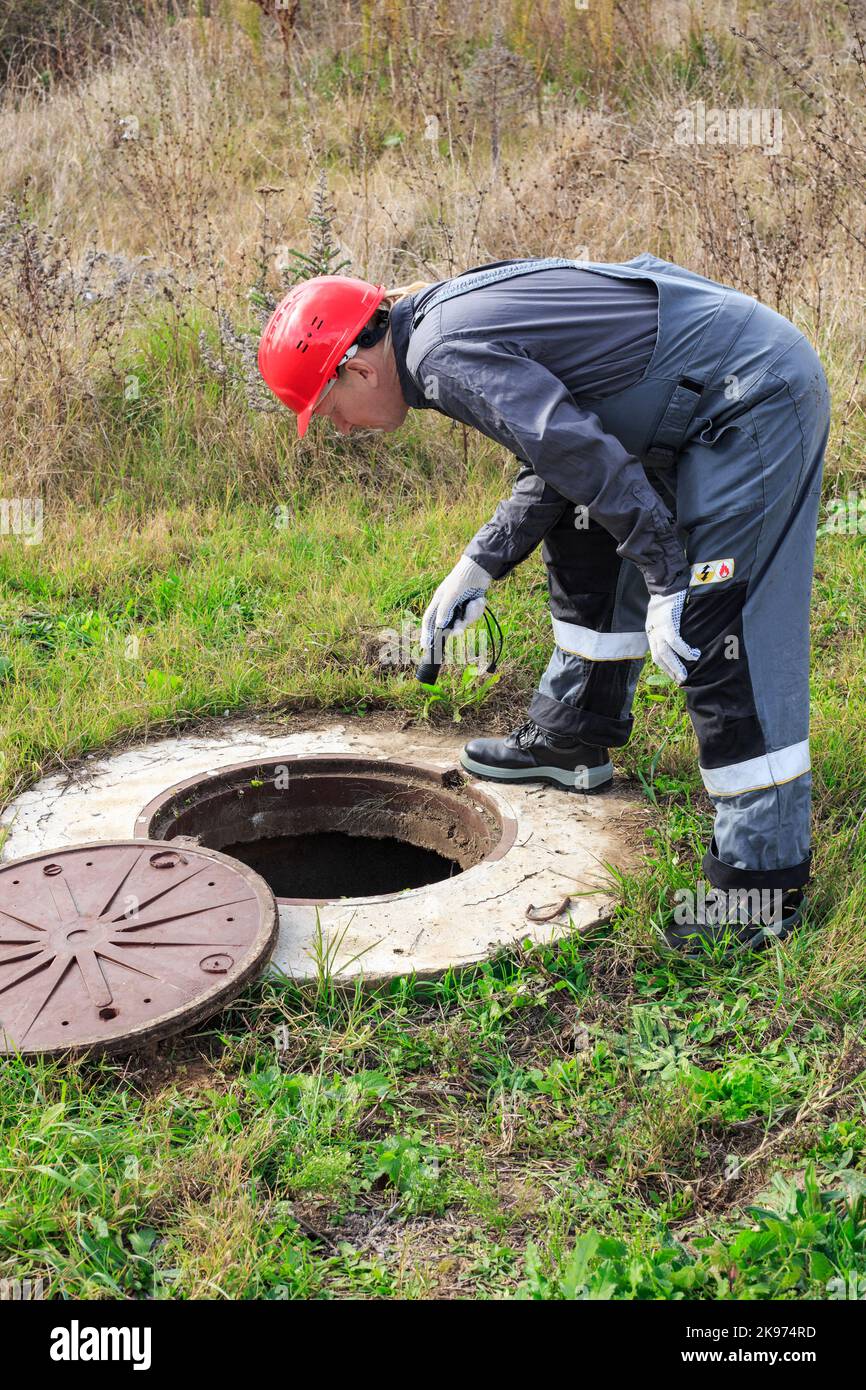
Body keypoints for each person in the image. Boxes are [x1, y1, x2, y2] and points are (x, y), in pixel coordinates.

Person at [257, 255, 830, 952]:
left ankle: (759, 888)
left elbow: (575, 450)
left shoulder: (443, 355)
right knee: (583, 523)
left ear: (358, 369)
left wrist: (669, 580)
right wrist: (480, 564)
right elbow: (565, 456)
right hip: (681, 402)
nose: (340, 429)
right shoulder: (430, 334)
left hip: (752, 397)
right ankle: (571, 737)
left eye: (327, 409)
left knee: (717, 625)